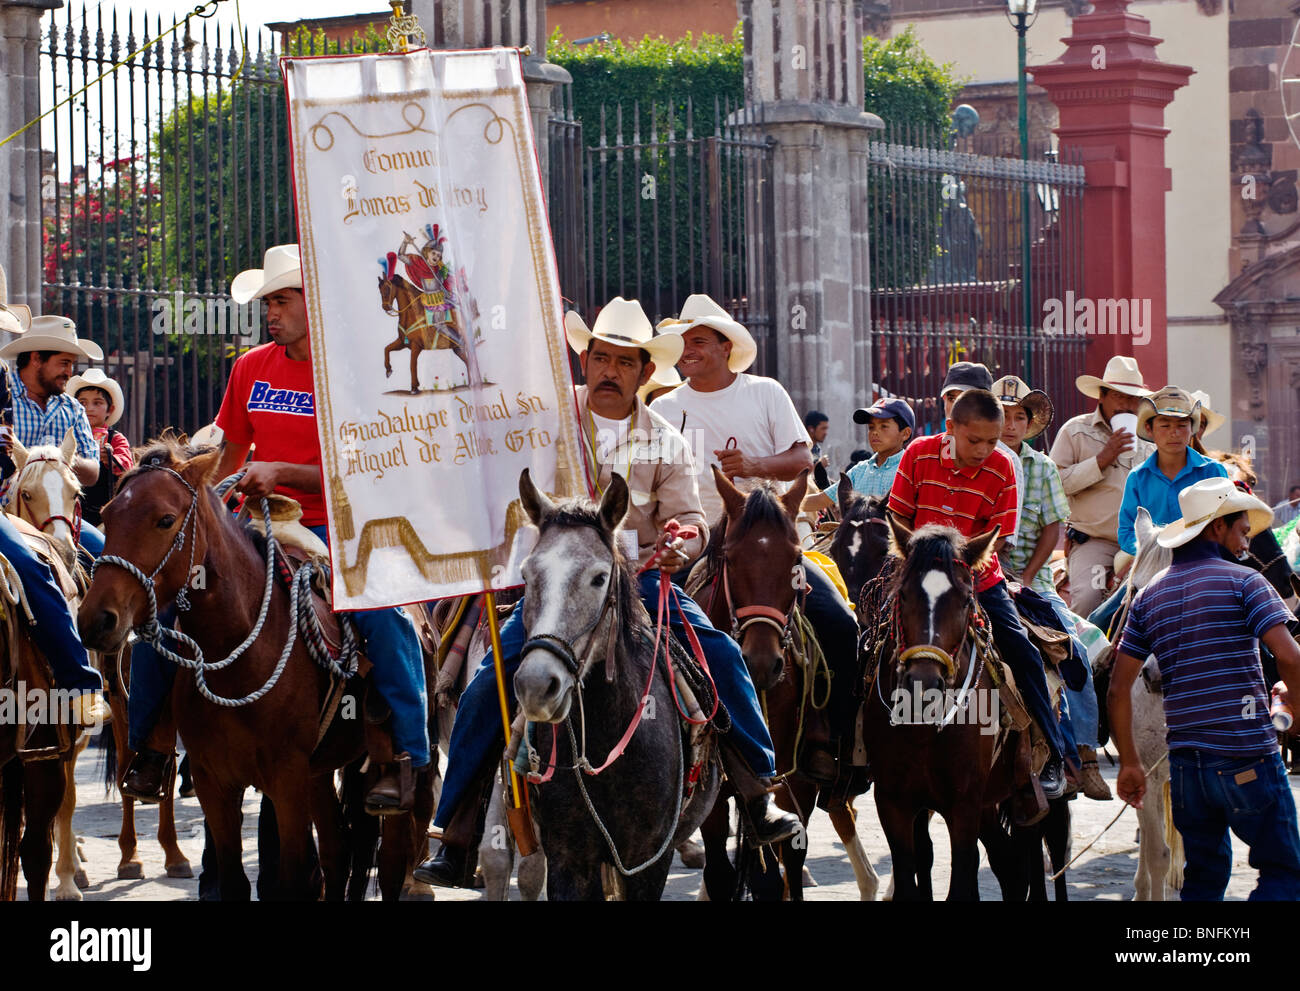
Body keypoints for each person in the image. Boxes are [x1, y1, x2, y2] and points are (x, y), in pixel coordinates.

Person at [414, 297, 800, 886]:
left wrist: (682, 542)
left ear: (645, 372)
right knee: (491, 679)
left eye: (624, 362)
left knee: (720, 653)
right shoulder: (542, 420)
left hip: (639, 584)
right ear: (585, 361)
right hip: (557, 587)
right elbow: (496, 471)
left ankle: (757, 791)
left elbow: (691, 518)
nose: (609, 371)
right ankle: (457, 828)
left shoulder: (667, 440)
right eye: (600, 357)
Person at [120, 245, 430, 815]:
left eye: (283, 300)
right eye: (268, 302)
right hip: (251, 525)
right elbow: (228, 460)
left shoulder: (356, 373)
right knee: (161, 614)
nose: (271, 313)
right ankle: (152, 747)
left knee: (382, 612)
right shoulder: (249, 367)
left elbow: (370, 467)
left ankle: (404, 754)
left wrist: (284, 471)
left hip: (333, 522)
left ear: (316, 304)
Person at [650, 294, 860, 801]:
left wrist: (752, 468)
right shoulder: (663, 407)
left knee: (841, 625)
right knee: (649, 635)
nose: (687, 351)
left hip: (774, 545)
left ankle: (829, 742)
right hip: (695, 543)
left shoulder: (764, 392)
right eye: (681, 343)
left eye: (697, 341)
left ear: (725, 346)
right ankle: (664, 755)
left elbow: (801, 460)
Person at [1110, 477, 1300, 900]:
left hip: (1187, 769)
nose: (1246, 546)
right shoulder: (1246, 582)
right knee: (1284, 870)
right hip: (1246, 754)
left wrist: (1129, 763)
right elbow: (1290, 657)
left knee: (1202, 879)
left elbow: (1118, 690)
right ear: (1216, 528)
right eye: (1242, 532)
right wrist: (1299, 707)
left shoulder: (1147, 597)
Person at [887, 388, 1068, 798]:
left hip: (977, 577)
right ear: (951, 428)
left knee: (1022, 648)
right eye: (975, 440)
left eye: (993, 440)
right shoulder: (918, 454)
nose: (985, 449)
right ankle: (849, 751)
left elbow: (997, 539)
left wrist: (959, 568)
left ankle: (1053, 753)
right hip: (915, 576)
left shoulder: (1004, 467)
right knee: (860, 638)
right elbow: (898, 514)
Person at [992, 375, 1110, 801]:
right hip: (981, 574)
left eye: (1019, 416)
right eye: (1003, 414)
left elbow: (1052, 529)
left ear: (1029, 423)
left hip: (1032, 580)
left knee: (1074, 648)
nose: (1010, 423)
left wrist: (1024, 579)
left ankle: (1082, 753)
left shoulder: (1041, 466)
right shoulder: (977, 458)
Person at [0, 313, 108, 726]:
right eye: (64, 363)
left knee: (116, 564)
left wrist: (50, 460)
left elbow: (94, 472)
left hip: (62, 514)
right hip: (13, 508)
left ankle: (121, 670)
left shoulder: (72, 408)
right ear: (35, 359)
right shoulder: (7, 389)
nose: (70, 373)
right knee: (30, 565)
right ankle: (79, 683)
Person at [1048, 356, 1153, 619]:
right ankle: (1084, 658)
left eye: (1133, 399)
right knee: (1087, 599)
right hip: (1095, 542)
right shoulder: (1075, 432)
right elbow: (1054, 485)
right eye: (1120, 396)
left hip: (1144, 544)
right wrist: (1102, 460)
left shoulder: (1149, 441)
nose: (1128, 405)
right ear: (1102, 396)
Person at [937, 362, 1023, 549]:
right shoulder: (922, 451)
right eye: (951, 398)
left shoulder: (1006, 461)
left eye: (965, 400)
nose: (955, 407)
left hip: (982, 560)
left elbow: (1001, 537)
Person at [801, 397, 913, 515]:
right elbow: (821, 500)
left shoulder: (910, 470)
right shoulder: (859, 471)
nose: (874, 432)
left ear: (905, 434)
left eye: (884, 426)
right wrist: (785, 502)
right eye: (871, 427)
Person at [68, 368, 133, 527]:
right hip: (71, 507)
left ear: (110, 410)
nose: (89, 408)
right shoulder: (69, 436)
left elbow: (128, 468)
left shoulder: (115, 438)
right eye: (82, 403)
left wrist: (111, 458)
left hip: (105, 511)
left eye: (97, 403)